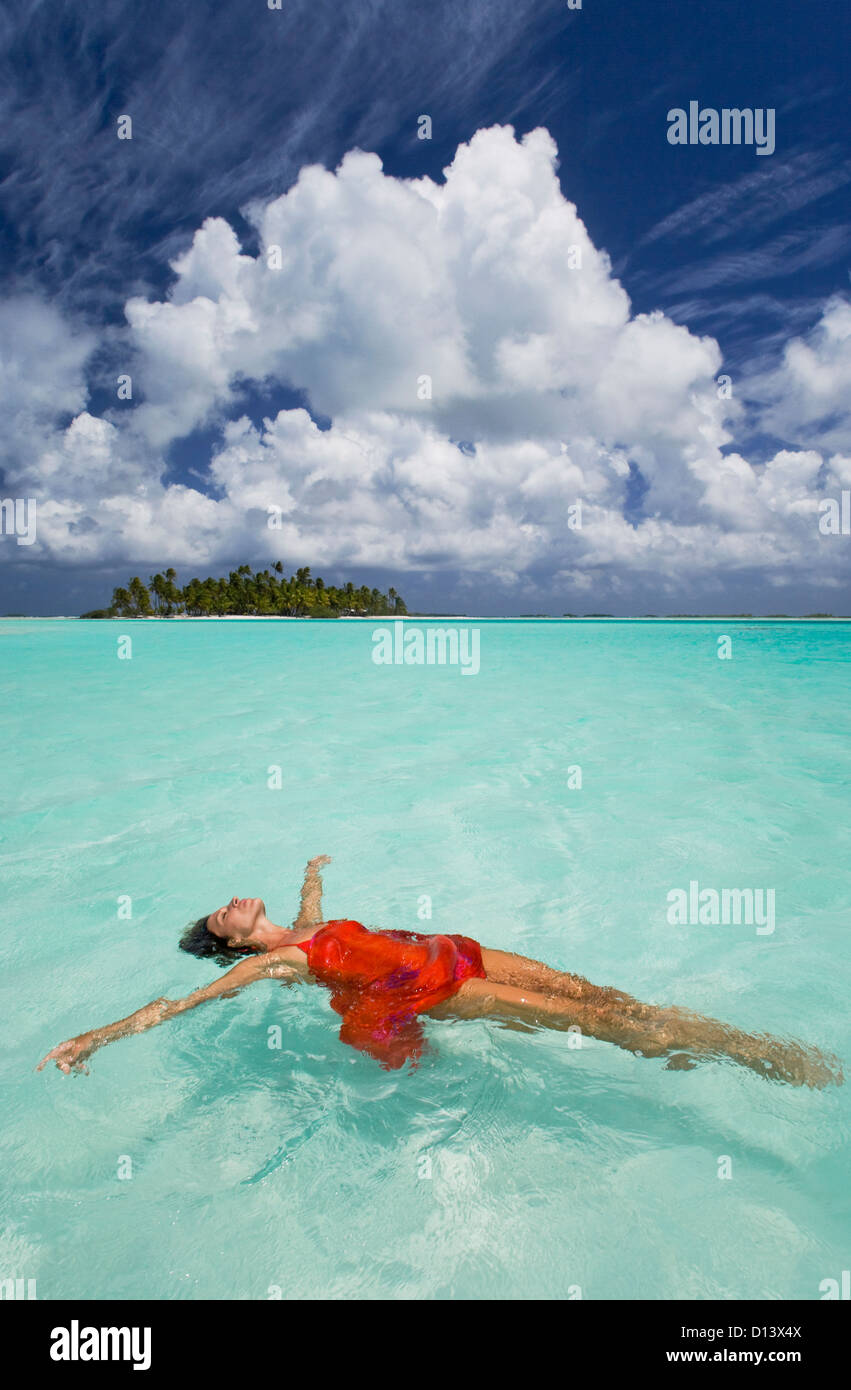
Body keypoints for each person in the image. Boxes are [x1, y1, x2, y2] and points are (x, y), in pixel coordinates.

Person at [38, 856, 842, 1085]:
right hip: (439, 986)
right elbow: (176, 1005)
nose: (230, 903)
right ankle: (755, 1055)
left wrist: (313, 872)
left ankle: (668, 1041)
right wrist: (95, 1037)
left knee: (594, 992)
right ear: (238, 945)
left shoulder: (305, 926)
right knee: (596, 1022)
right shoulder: (274, 965)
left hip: (459, 947)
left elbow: (315, 910)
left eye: (225, 902)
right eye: (222, 916)